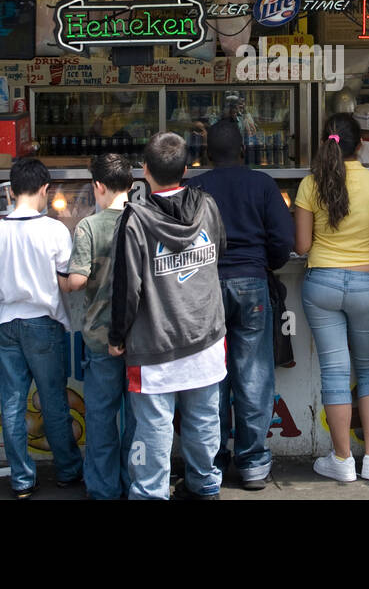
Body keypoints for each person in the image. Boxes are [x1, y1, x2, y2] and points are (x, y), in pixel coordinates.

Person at [108, 132, 226, 500]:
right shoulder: (207, 206)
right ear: (187, 170)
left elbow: (126, 288)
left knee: (153, 427)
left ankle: (150, 493)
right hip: (205, 335)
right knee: (204, 419)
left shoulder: (134, 221)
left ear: (144, 171)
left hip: (154, 343)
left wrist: (116, 337)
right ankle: (205, 485)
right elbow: (220, 249)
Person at [294, 113, 369, 482]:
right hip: (365, 285)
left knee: (335, 373)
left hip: (320, 284)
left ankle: (341, 461)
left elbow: (303, 245)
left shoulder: (311, 184)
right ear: (361, 145)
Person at [188, 119, 294, 490]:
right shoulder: (263, 185)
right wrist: (269, 264)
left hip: (206, 287)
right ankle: (251, 463)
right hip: (252, 284)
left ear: (206, 154)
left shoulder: (193, 188)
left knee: (210, 375)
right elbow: (284, 238)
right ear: (244, 150)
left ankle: (212, 460)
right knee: (253, 375)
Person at [0, 157, 82, 498]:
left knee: (11, 401)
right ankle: (68, 470)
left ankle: (22, 479)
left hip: (8, 324)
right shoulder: (54, 231)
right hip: (44, 324)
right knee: (53, 401)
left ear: (10, 190)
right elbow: (68, 284)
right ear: (44, 189)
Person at [66, 153, 135, 500]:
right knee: (138, 420)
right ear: (132, 185)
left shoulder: (88, 227)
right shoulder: (144, 220)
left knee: (101, 418)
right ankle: (135, 482)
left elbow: (77, 281)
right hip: (141, 339)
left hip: (99, 336)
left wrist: (58, 278)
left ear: (98, 186)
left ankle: (104, 488)